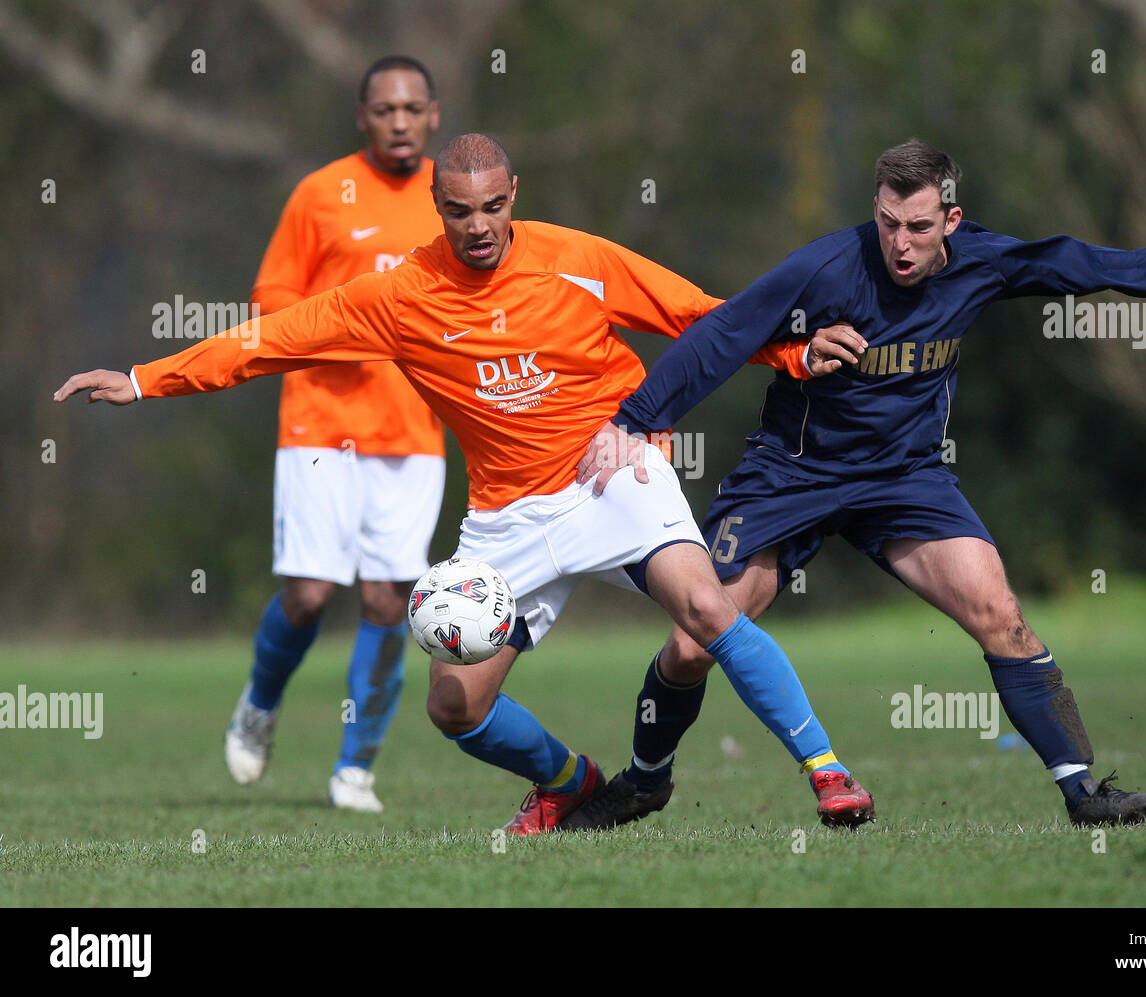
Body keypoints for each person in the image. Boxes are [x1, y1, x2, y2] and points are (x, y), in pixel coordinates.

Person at [54, 133, 875, 834]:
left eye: (491, 206)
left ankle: (827, 769)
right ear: (437, 209)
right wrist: (143, 377)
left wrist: (794, 354)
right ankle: (571, 784)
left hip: (610, 471)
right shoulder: (400, 297)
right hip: (506, 516)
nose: (478, 226)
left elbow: (701, 316)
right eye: (458, 211)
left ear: (512, 193)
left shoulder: (579, 260)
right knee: (454, 706)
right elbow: (273, 339)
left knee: (704, 607)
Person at [568, 138, 1146, 831]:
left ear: (952, 221)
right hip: (790, 474)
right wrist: (633, 420)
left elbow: (1056, 260)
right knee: (691, 643)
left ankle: (1084, 793)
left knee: (999, 612)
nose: (900, 242)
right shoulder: (828, 267)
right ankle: (644, 782)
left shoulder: (979, 260)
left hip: (904, 476)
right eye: (889, 222)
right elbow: (725, 333)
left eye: (918, 226)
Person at [221, 56, 449, 814]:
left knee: (389, 601)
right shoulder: (321, 194)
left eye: (412, 108)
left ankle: (356, 767)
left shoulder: (453, 200)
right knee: (311, 594)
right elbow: (271, 299)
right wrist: (336, 334)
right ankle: (259, 703)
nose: (399, 120)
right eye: (384, 108)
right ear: (363, 116)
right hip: (320, 420)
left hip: (414, 430)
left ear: (434, 115)